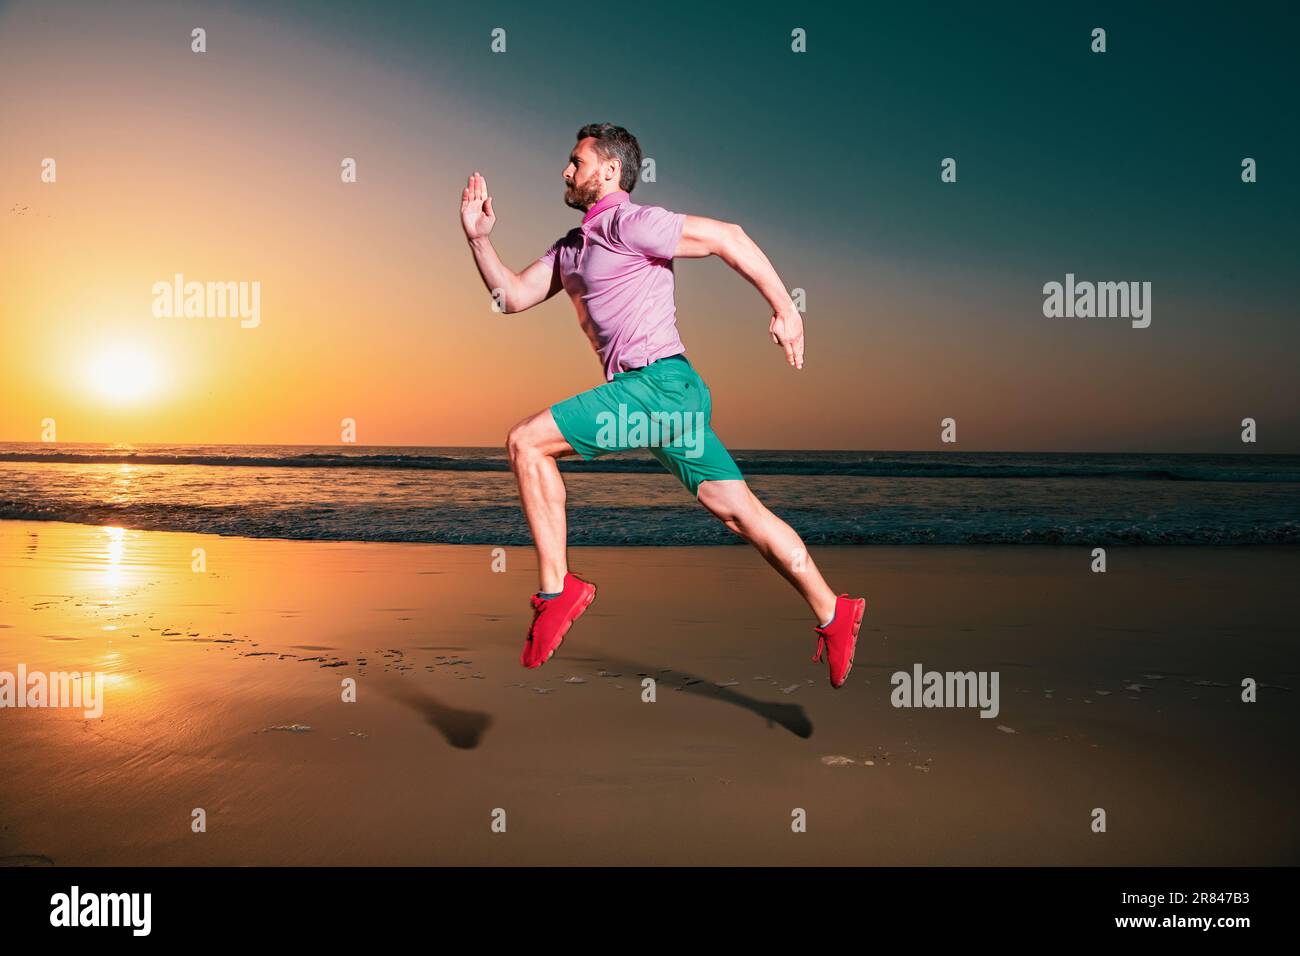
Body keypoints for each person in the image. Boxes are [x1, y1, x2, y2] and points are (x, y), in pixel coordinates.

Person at [461, 123, 865, 688]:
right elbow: (512, 297)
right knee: (738, 512)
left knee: (526, 442)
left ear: (609, 171)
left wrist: (785, 308)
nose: (565, 170)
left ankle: (558, 591)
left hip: (658, 387)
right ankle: (832, 611)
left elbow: (729, 236)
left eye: (576, 161)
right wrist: (479, 240)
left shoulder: (632, 222)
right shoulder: (572, 247)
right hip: (662, 404)